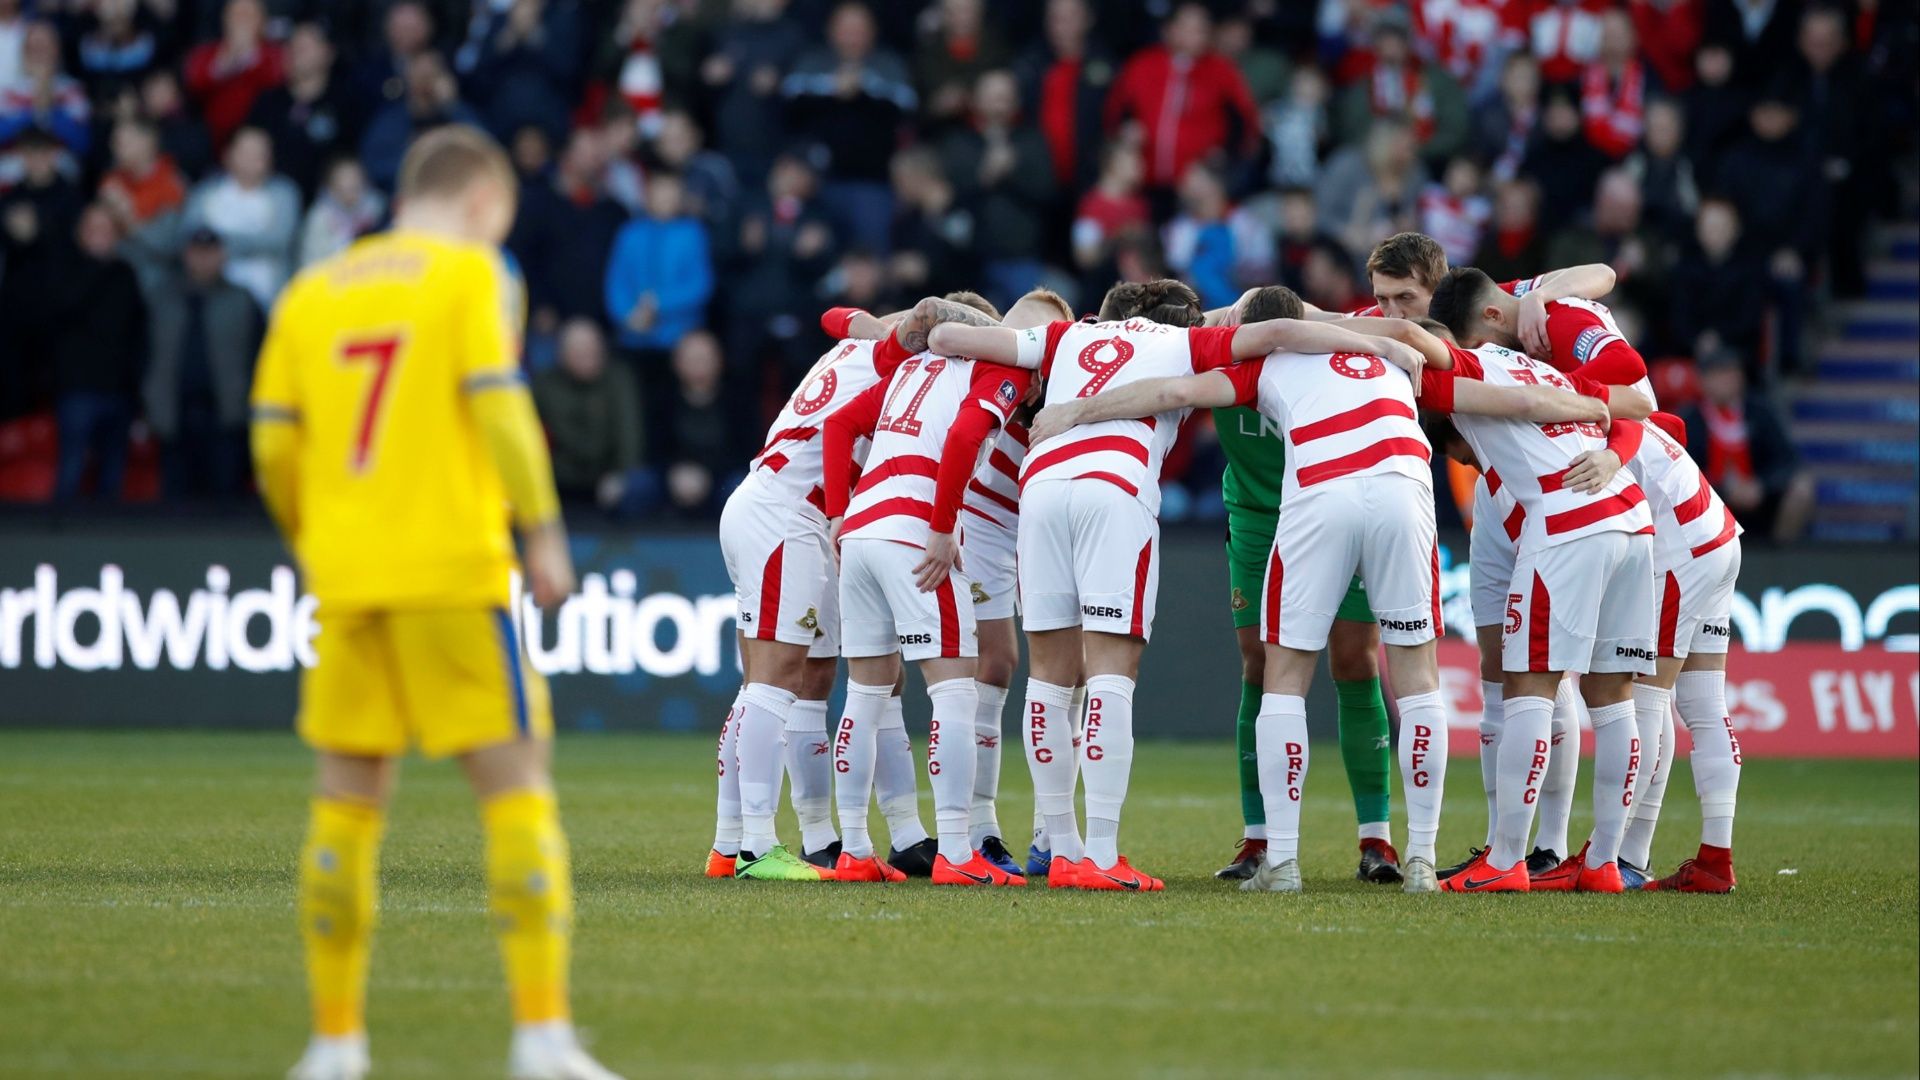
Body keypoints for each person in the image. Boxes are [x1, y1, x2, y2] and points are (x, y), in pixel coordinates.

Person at [250, 125, 620, 1080]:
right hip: (454, 574)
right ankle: (541, 1037)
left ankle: (334, 1045)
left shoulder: (309, 293)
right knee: (516, 792)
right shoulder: (467, 277)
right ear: (480, 204)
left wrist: (315, 540)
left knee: (345, 807)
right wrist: (542, 534)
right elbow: (499, 405)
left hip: (349, 580)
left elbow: (273, 446)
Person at [1030, 288, 1611, 893]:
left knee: (1284, 673)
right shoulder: (1390, 354)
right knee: (1416, 678)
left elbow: (1174, 392)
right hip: (1404, 488)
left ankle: (1280, 861)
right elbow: (1514, 399)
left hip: (1321, 488)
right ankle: (1419, 858)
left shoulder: (1263, 363)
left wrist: (1076, 411)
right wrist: (1596, 409)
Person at [923, 279, 1420, 890]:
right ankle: (1101, 858)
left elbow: (949, 335)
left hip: (1043, 485)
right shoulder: (1190, 342)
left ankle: (1060, 848)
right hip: (1115, 487)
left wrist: (912, 325)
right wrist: (1391, 341)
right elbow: (1285, 332)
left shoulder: (1065, 336)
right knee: (1109, 674)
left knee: (1049, 679)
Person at [708, 301, 977, 882]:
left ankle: (787, 840)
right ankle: (753, 846)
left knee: (813, 678)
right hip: (789, 515)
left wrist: (870, 321)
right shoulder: (893, 362)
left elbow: (833, 315)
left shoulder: (855, 343)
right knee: (774, 679)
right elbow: (902, 334)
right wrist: (836, 515)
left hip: (774, 505)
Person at [1421, 287, 1659, 894]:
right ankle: (1604, 863)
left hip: (1566, 526)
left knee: (1530, 686)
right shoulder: (1540, 362)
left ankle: (1506, 860)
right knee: (1613, 695)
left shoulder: (1469, 364)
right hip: (1632, 521)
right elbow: (1637, 402)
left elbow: (1424, 348)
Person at [820, 292, 1057, 888]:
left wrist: (837, 512)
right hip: (913, 533)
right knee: (954, 690)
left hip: (864, 530)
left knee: (865, 697)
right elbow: (963, 439)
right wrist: (942, 526)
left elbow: (840, 422)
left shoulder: (916, 365)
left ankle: (852, 849)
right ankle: (955, 847)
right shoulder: (1001, 368)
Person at [145, 227, 260, 499]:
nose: (203, 260)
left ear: (222, 256)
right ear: (186, 256)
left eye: (210, 253)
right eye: (198, 253)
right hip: (174, 413)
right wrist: (148, 399)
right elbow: (142, 353)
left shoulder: (241, 299)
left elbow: (260, 357)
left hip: (225, 415)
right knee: (174, 503)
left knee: (225, 498)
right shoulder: (162, 298)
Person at [1104, 2, 1259, 194]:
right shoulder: (1142, 66)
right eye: (1185, 27)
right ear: (1168, 30)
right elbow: (1117, 111)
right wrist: (1126, 131)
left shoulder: (1222, 71)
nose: (1193, 36)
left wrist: (1225, 156)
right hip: (1144, 182)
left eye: (1200, 29)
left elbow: (1244, 122)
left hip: (1200, 186)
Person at [51, 205, 147, 501]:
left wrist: (137, 392)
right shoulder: (65, 269)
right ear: (80, 234)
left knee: (112, 477)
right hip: (77, 390)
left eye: (107, 230)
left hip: (118, 390)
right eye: (93, 229)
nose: (100, 237)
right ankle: (57, 542)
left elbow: (137, 334)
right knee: (71, 470)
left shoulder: (126, 273)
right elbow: (61, 310)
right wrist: (95, 265)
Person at [1679, 347, 1815, 541]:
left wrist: (1761, 486)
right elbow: (1683, 472)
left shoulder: (1761, 412)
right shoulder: (1689, 420)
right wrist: (1726, 489)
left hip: (1762, 499)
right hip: (1712, 503)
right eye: (1719, 374)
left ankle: (1782, 559)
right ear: (1703, 381)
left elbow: (1788, 461)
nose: (1727, 380)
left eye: (1732, 373)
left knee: (1802, 487)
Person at [182, 124, 302, 308]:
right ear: (228, 155)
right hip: (212, 299)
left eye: (260, 151)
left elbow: (278, 241)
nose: (253, 157)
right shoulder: (206, 193)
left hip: (267, 298)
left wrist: (219, 244)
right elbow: (190, 238)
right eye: (246, 150)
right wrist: (252, 243)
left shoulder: (284, 193)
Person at [531, 317, 642, 508]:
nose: (587, 355)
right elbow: (530, 434)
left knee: (640, 485)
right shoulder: (544, 384)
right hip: (558, 476)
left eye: (591, 349)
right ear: (562, 353)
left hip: (608, 475)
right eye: (578, 351)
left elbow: (629, 433)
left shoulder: (619, 379)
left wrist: (621, 474)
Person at [247, 22, 364, 199]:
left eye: (306, 46)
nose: (297, 52)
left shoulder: (346, 104)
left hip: (330, 202)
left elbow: (353, 160)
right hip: (269, 199)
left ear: (329, 53)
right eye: (293, 46)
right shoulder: (268, 101)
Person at [182, 0, 284, 151]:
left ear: (262, 21)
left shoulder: (275, 55)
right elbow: (194, 84)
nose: (242, 22)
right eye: (236, 15)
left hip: (262, 140)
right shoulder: (206, 54)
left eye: (249, 16)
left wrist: (248, 54)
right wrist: (227, 61)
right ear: (224, 19)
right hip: (211, 139)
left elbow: (277, 81)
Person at [299, 156, 386, 267]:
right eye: (343, 179)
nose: (348, 183)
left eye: (354, 179)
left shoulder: (377, 209)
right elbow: (312, 262)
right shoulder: (320, 217)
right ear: (331, 185)